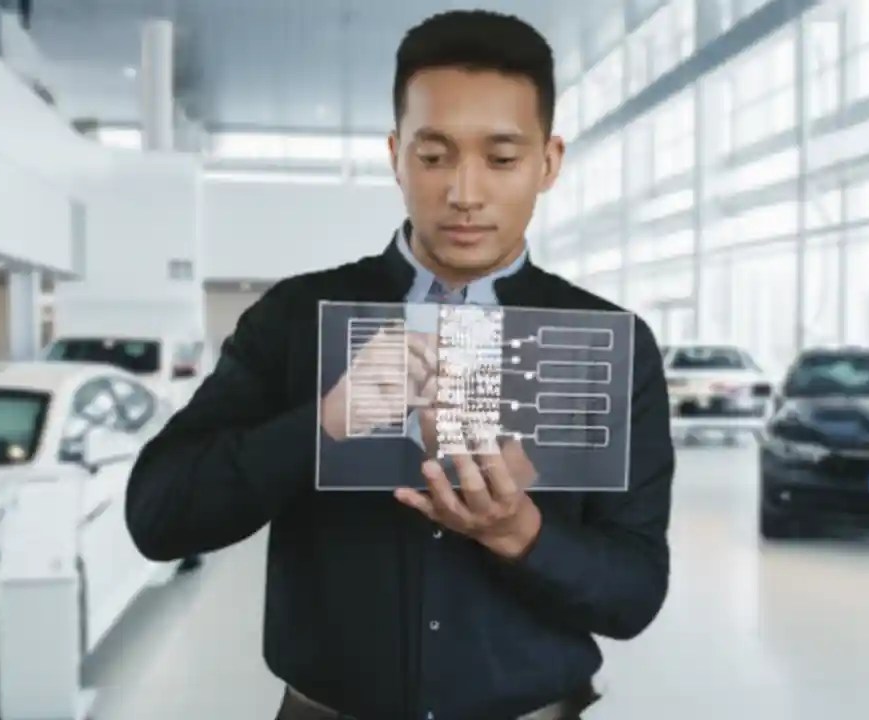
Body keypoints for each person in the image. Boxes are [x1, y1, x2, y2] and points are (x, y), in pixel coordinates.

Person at [124, 10, 675, 720]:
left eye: (501, 159)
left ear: (549, 162)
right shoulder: (295, 317)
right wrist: (322, 424)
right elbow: (159, 518)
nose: (465, 193)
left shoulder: (611, 342)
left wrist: (519, 534)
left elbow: (633, 594)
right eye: (434, 154)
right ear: (395, 154)